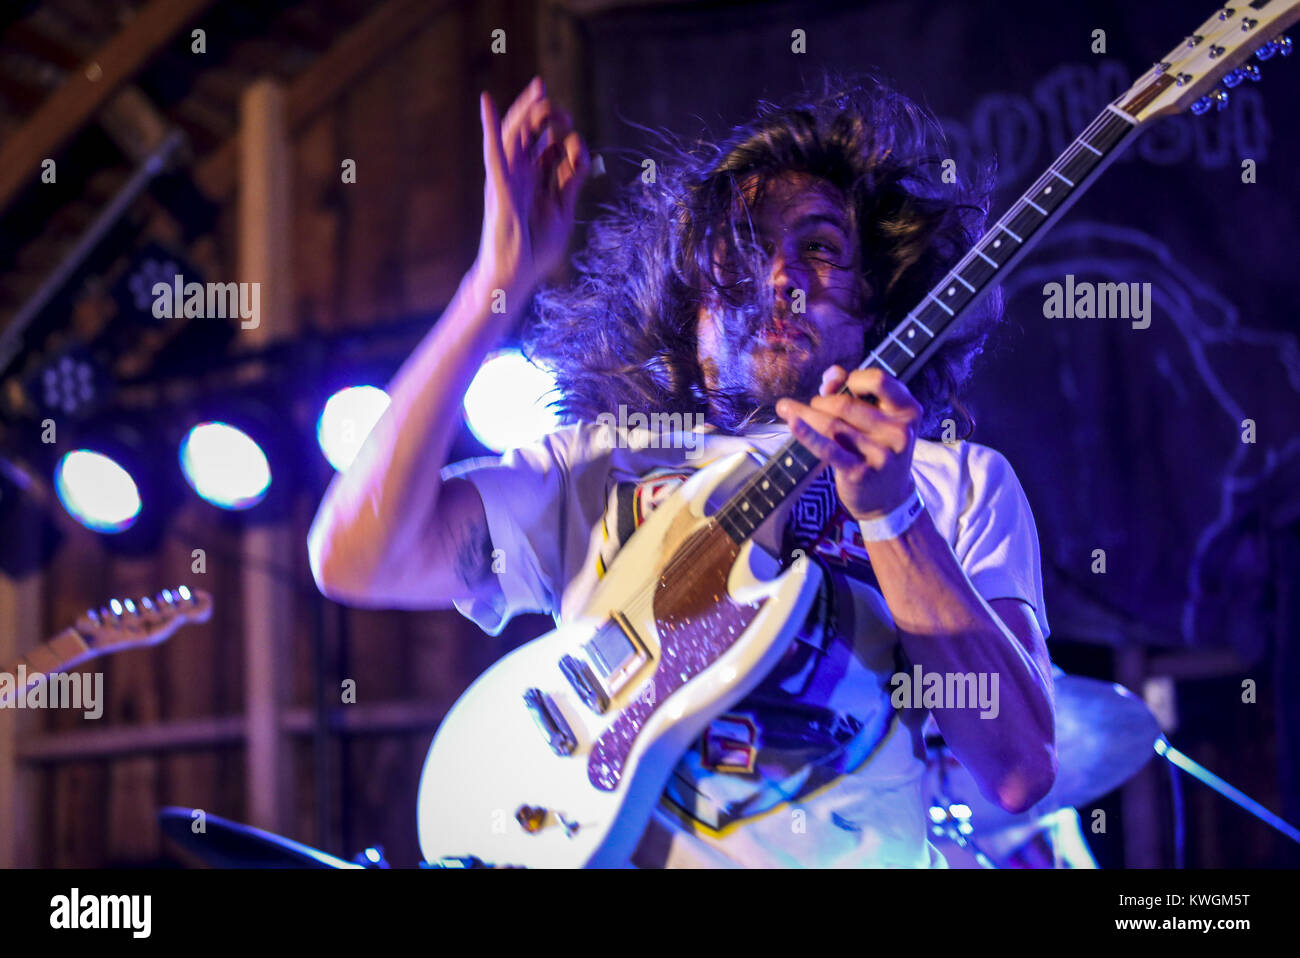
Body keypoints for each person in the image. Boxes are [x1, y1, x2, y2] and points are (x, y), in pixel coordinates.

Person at [308, 73, 1057, 868]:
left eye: (821, 248)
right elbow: (353, 557)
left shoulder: (958, 483)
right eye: (742, 250)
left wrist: (891, 514)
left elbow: (1016, 770)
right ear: (691, 308)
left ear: (876, 302)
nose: (780, 277)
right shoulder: (597, 465)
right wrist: (492, 286)